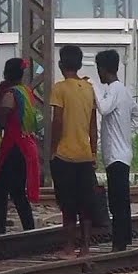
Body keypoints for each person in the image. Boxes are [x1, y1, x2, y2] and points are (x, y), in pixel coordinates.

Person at [49, 45, 98, 258]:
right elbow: (93, 126)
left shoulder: (59, 88)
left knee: (67, 202)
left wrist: (52, 149)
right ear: (79, 65)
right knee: (85, 202)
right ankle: (86, 246)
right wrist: (94, 152)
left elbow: (57, 120)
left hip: (65, 155)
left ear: (61, 65)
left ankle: (69, 246)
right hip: (86, 155)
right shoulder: (88, 88)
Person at [0, 58, 41, 234]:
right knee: (17, 191)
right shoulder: (27, 92)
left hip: (14, 146)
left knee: (1, 189)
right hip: (26, 146)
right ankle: (28, 228)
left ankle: (0, 228)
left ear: (6, 74)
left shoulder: (10, 94)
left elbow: (1, 119)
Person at [96, 49, 138, 251]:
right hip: (120, 152)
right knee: (121, 199)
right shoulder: (123, 90)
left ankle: (119, 242)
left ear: (104, 69)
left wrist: (92, 90)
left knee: (117, 200)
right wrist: (127, 131)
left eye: (99, 70)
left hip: (116, 154)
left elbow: (104, 108)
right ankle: (124, 238)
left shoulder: (114, 90)